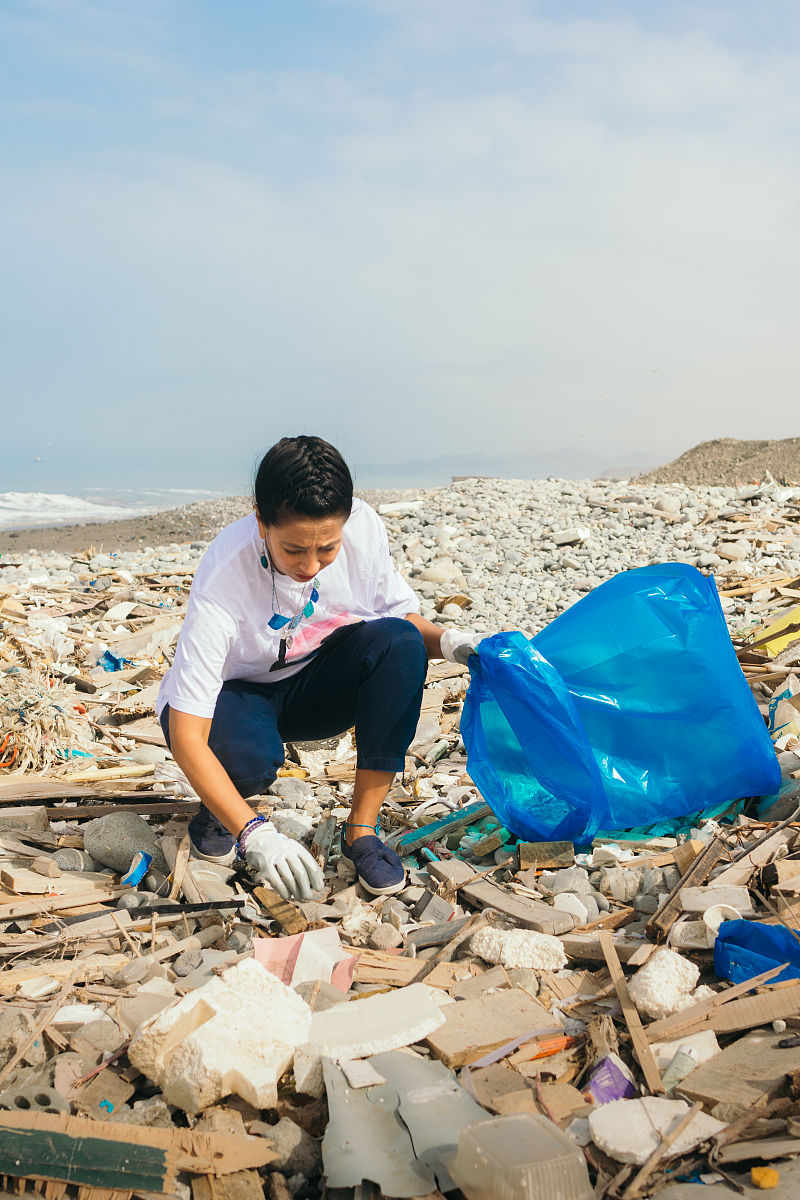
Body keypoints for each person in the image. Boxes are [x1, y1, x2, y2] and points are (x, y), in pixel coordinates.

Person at [156, 435, 482, 901]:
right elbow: (188, 734)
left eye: (327, 548)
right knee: (245, 761)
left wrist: (455, 644)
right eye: (293, 550)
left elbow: (400, 621)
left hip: (315, 681)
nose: (311, 565)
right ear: (260, 520)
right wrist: (257, 835)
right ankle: (223, 807)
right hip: (237, 695)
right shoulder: (225, 576)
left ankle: (361, 831)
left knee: (400, 641)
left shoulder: (364, 528)